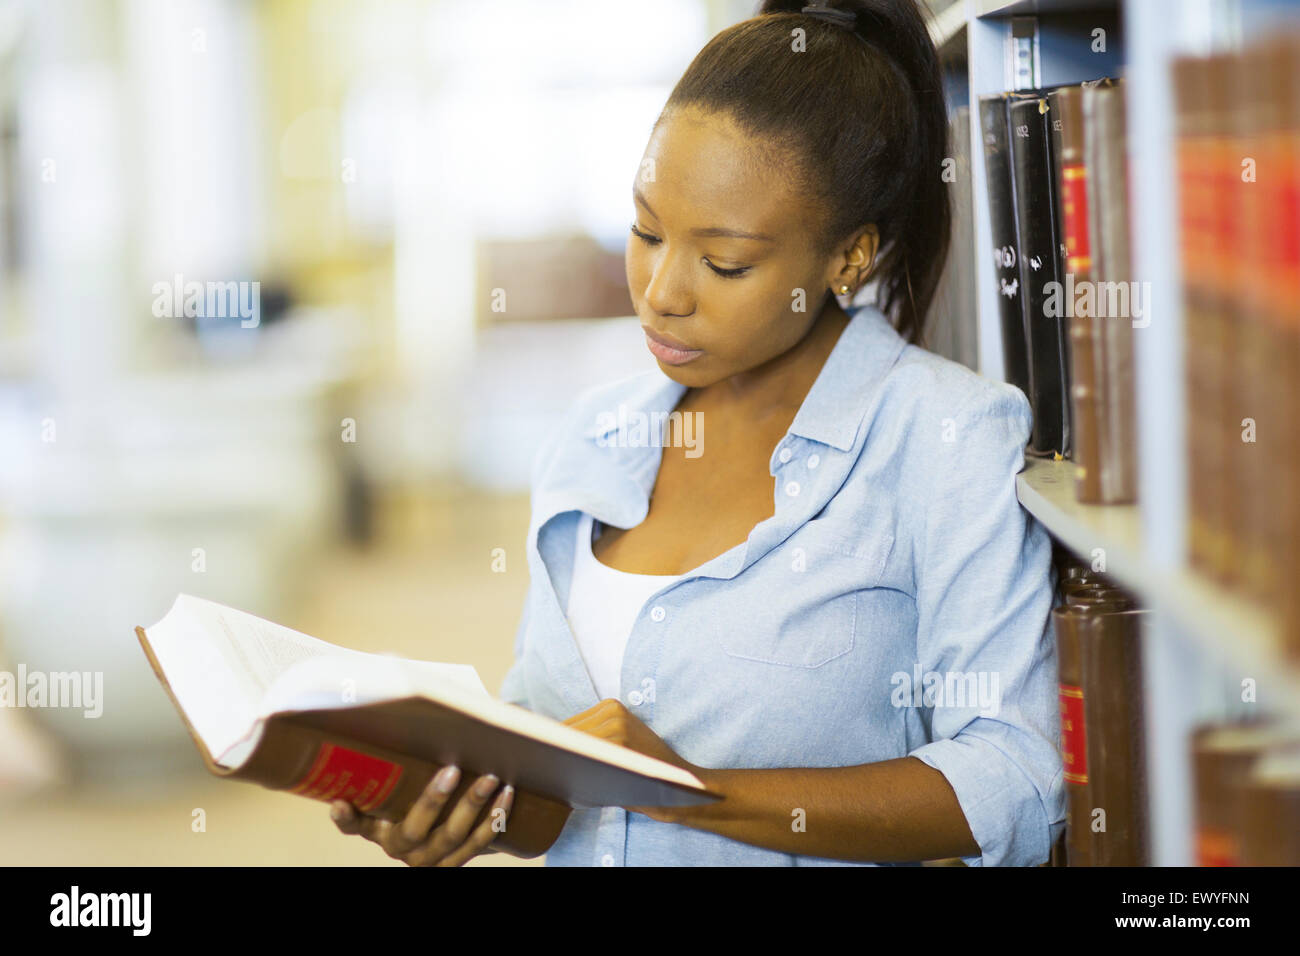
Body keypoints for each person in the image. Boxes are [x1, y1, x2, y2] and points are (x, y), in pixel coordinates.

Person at [332, 0, 1065, 866]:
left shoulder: (944, 437)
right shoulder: (592, 435)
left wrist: (694, 793)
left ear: (848, 256)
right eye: (646, 231)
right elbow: (550, 767)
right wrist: (458, 809)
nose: (662, 290)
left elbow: (1017, 776)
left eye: (725, 263)